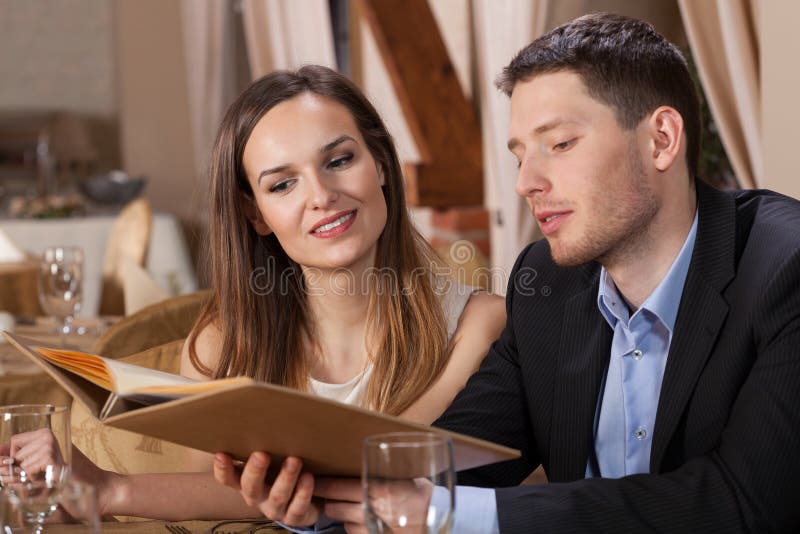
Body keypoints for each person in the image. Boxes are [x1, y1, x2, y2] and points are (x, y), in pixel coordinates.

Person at [217, 12, 800, 533]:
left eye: (560, 144)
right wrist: (323, 496)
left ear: (662, 139)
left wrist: (445, 514)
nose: (526, 182)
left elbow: (746, 502)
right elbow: (465, 454)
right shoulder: (546, 282)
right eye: (521, 154)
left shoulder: (785, 265)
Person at [1, 65, 505, 521]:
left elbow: (375, 473)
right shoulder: (223, 342)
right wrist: (91, 494)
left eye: (340, 159)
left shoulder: (477, 323)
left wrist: (115, 491)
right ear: (255, 214)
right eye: (282, 185)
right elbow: (208, 495)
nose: (321, 196)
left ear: (381, 166)